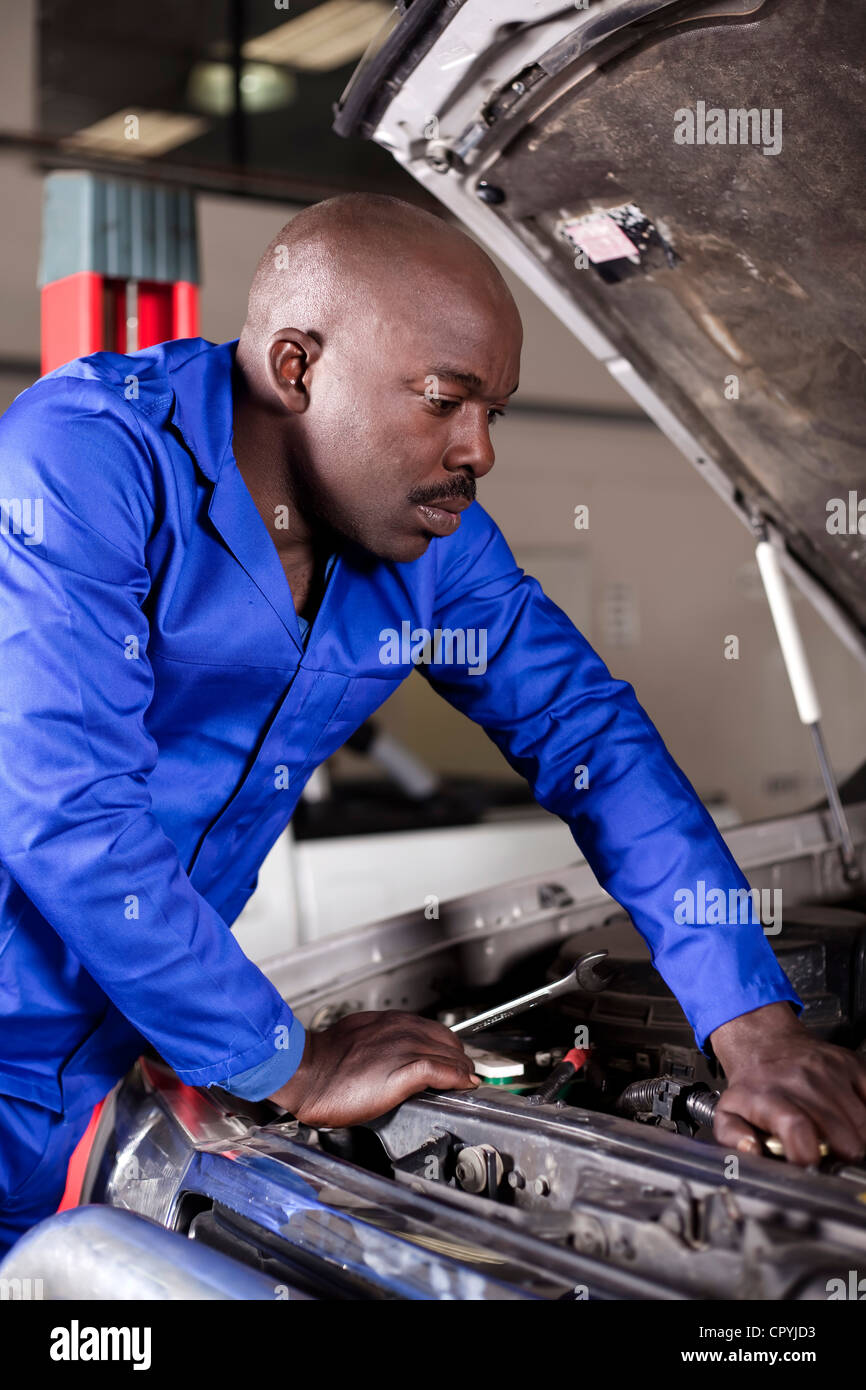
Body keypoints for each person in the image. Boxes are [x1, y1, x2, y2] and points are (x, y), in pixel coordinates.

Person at [0, 194, 863, 1254]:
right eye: (445, 399)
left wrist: (753, 1028)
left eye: (491, 409)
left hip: (115, 1071)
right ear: (295, 366)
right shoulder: (89, 459)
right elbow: (69, 813)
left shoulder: (437, 550)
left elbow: (593, 739)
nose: (478, 449)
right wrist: (290, 1061)